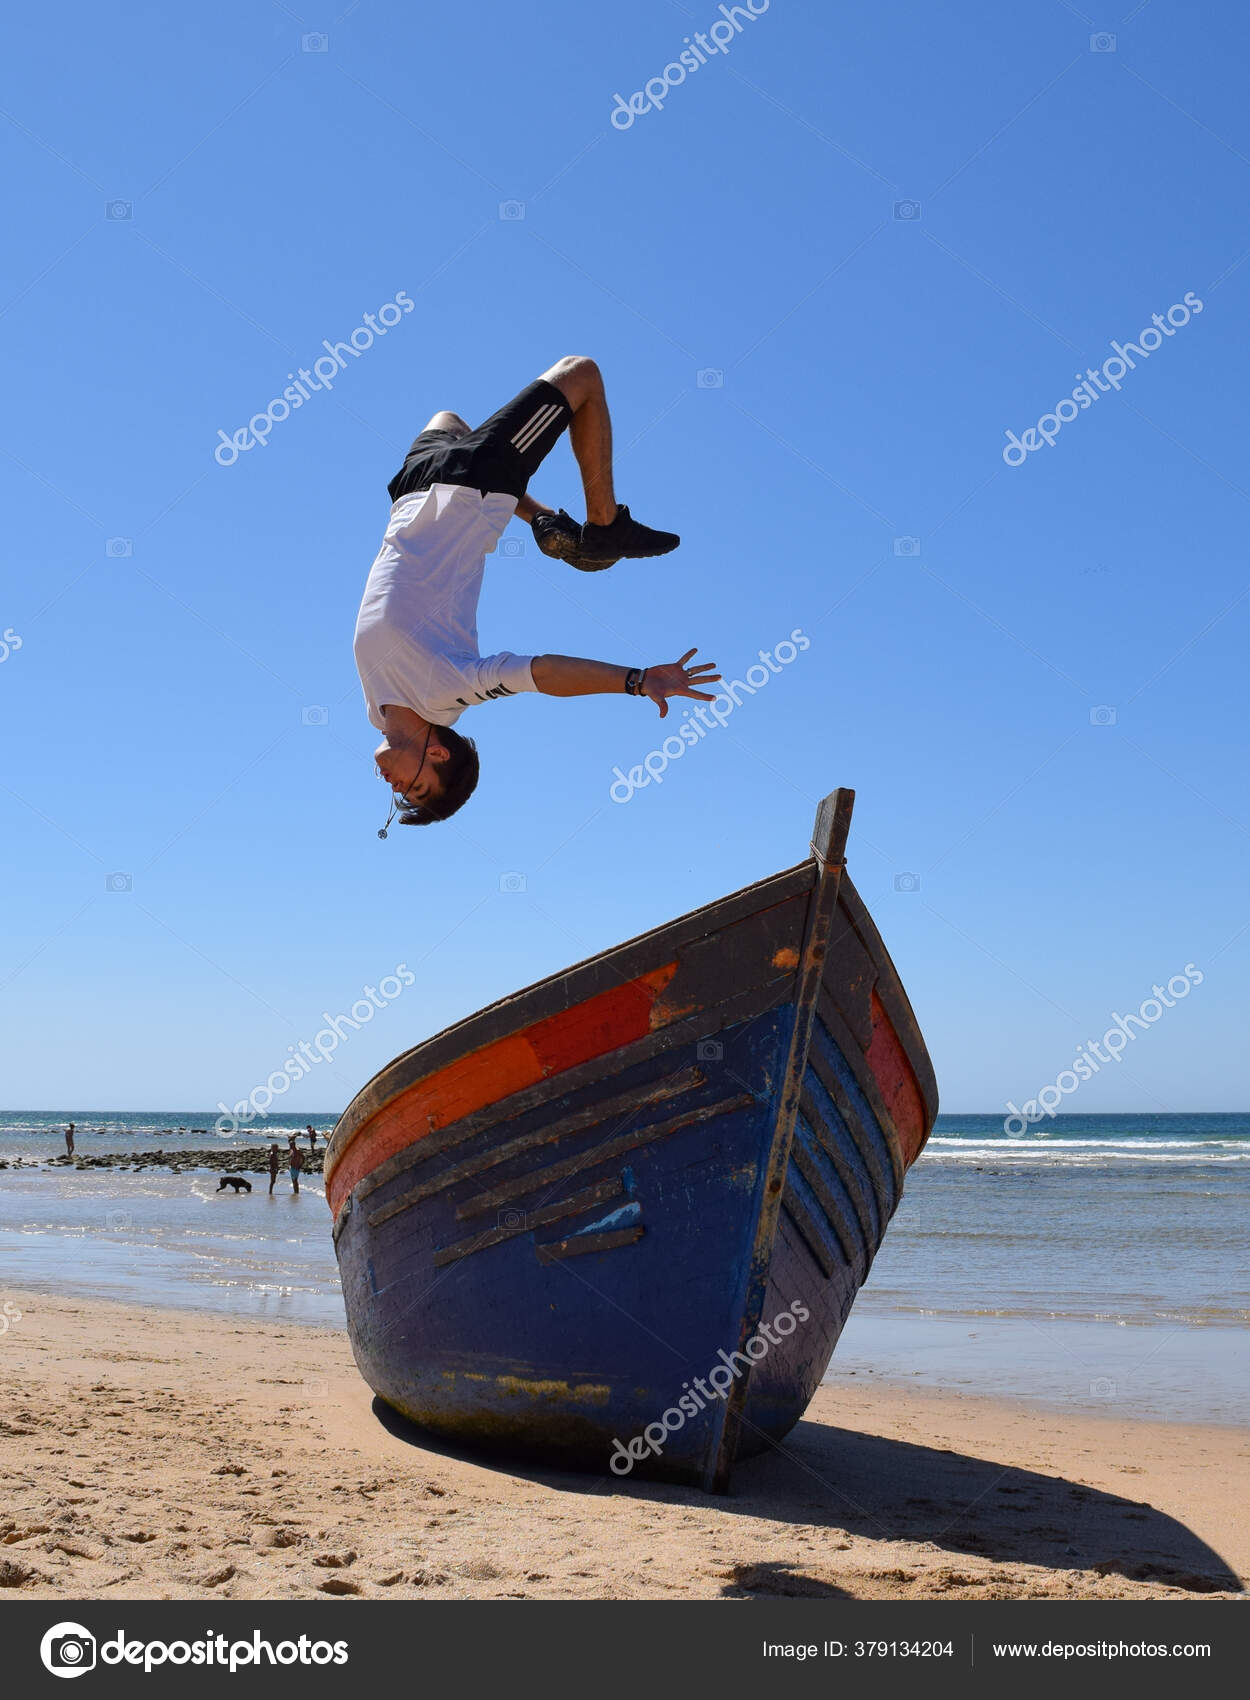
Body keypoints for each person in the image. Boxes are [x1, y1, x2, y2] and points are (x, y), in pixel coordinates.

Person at [355, 356, 721, 828]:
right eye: (416, 787)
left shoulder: (375, 710)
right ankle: (605, 526)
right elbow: (542, 673)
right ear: (440, 754)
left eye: (404, 794)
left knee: (447, 420)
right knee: (582, 375)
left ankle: (543, 519)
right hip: (469, 483)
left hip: (413, 490)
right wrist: (636, 680)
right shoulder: (446, 693)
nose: (397, 788)